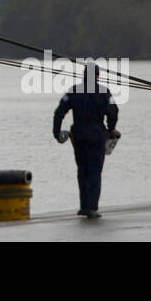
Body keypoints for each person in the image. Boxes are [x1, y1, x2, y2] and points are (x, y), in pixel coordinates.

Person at [52, 62, 119, 218]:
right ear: (98, 76)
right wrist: (110, 129)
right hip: (97, 136)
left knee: (82, 171)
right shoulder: (105, 92)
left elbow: (59, 113)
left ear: (83, 74)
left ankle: (84, 206)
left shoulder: (73, 91)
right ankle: (92, 208)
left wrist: (57, 133)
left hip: (79, 137)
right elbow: (113, 112)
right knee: (95, 171)